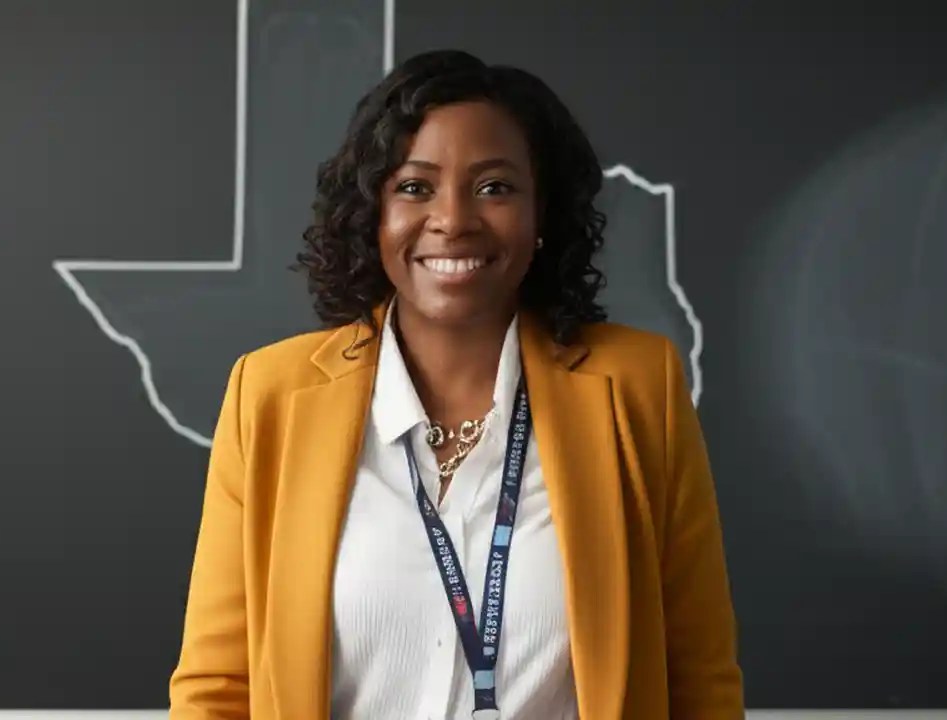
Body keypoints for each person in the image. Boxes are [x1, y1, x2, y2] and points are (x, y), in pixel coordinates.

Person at [168, 49, 743, 719]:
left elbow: (700, 682)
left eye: (494, 187)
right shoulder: (270, 395)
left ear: (542, 217)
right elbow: (217, 691)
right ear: (371, 213)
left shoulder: (638, 388)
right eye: (414, 187)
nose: (454, 219)